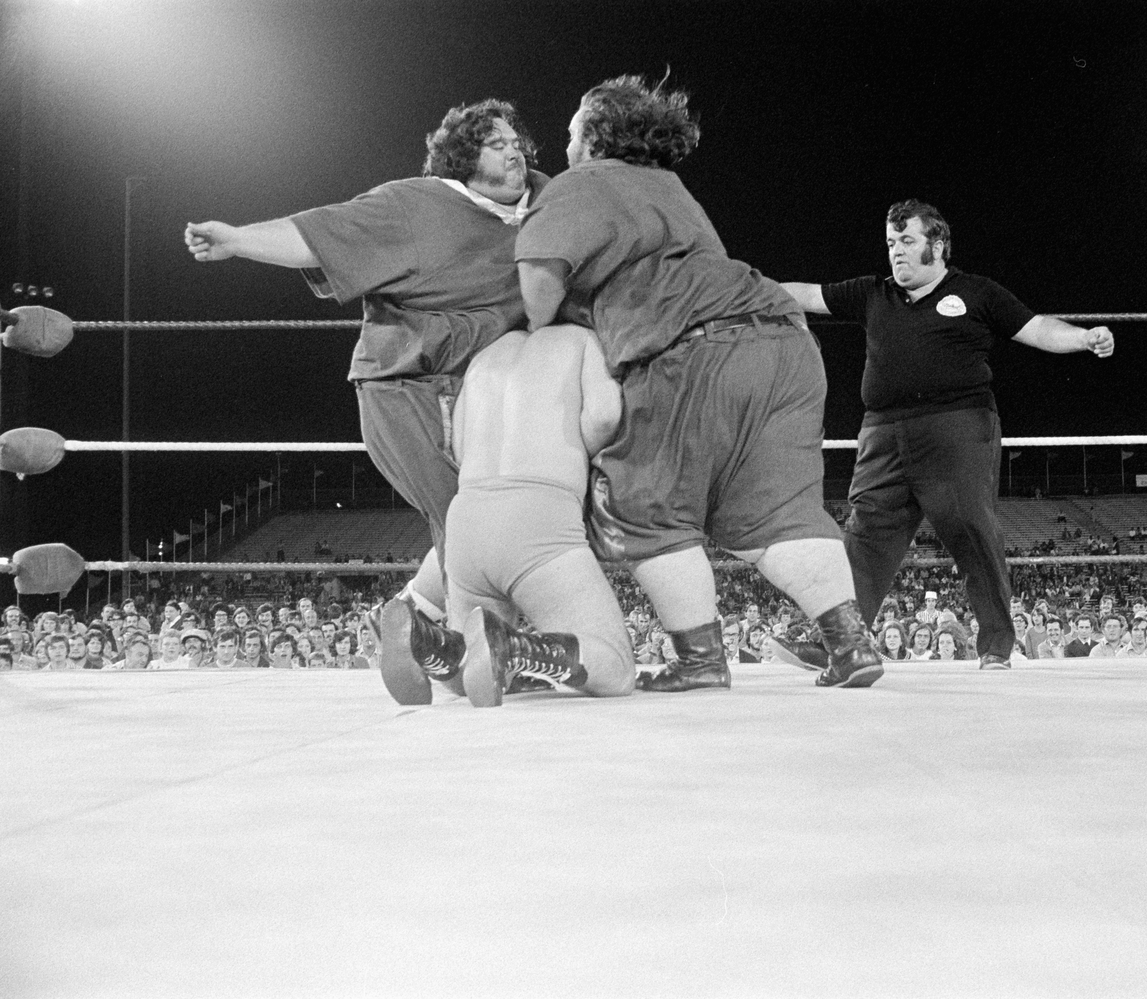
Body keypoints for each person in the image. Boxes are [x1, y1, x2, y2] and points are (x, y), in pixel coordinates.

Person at [514, 74, 882, 692]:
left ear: (597, 134)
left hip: (692, 348)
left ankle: (701, 659)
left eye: (573, 127)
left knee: (645, 506)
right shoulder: (669, 185)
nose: (565, 139)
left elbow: (538, 299)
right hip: (784, 343)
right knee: (780, 512)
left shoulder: (579, 182)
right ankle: (850, 644)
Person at [185, 97, 549, 644]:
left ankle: (408, 615)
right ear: (460, 158)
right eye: (495, 145)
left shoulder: (547, 202)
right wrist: (237, 239)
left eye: (515, 141)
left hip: (488, 390)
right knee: (472, 520)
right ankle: (482, 652)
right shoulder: (412, 205)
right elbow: (320, 235)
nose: (514, 152)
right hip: (411, 387)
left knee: (498, 511)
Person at [779, 200, 1113, 671]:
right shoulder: (872, 292)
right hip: (882, 432)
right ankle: (841, 644)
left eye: (907, 241)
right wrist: (739, 289)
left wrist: (1084, 338)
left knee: (971, 528)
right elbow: (807, 295)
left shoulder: (976, 292)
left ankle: (996, 646)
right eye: (891, 243)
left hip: (957, 425)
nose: (896, 251)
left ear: (936, 246)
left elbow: (1036, 328)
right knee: (864, 535)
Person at [380, 325, 637, 706]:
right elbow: (603, 417)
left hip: (467, 517)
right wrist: (578, 450)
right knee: (616, 669)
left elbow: (458, 446)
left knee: (474, 668)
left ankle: (429, 640)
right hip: (538, 514)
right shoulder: (581, 340)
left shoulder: (484, 354)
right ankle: (516, 647)